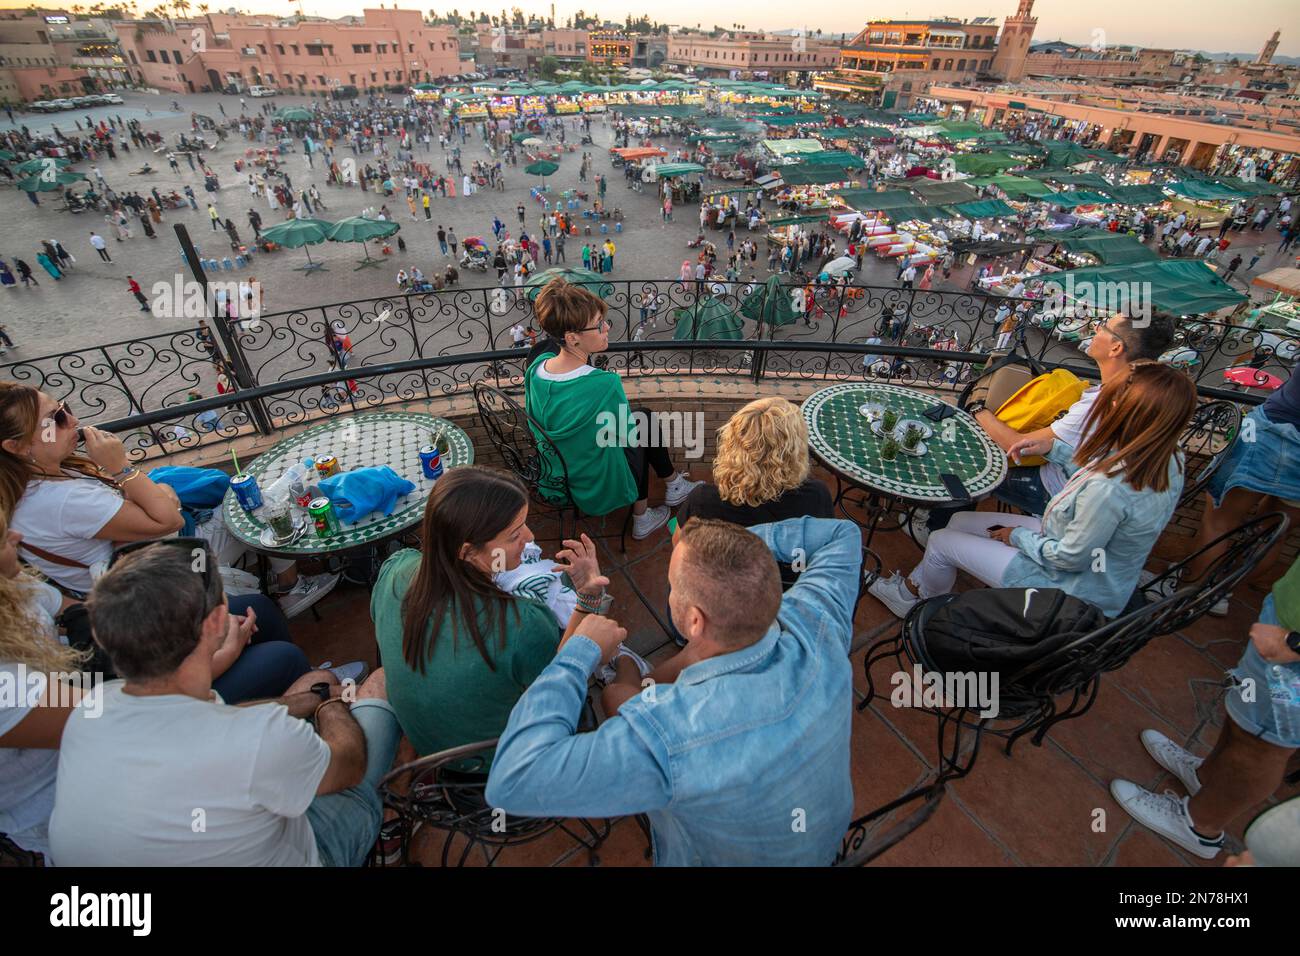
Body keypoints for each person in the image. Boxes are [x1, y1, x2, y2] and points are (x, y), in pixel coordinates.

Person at [486, 516, 863, 866]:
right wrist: (732, 553)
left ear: (695, 619)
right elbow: (843, 534)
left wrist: (577, 653)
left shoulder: (676, 735)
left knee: (618, 696)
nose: (670, 592)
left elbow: (514, 777)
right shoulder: (817, 619)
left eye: (673, 585)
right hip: (825, 845)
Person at [47, 541, 397, 867]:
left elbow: (210, 728)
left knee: (307, 685)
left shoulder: (88, 712)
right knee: (380, 684)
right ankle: (390, 831)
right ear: (217, 620)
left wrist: (306, 698)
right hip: (313, 849)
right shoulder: (257, 739)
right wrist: (326, 704)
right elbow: (348, 764)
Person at [870, 362, 1198, 619]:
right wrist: (1051, 450)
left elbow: (1069, 557)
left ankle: (913, 599)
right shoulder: (1167, 456)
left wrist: (1015, 536)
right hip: (1093, 566)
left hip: (1068, 590)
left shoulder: (1109, 489)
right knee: (956, 524)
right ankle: (930, 584)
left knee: (941, 541)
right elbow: (1097, 471)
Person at [0, 384, 338, 618]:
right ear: (15, 447)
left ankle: (285, 578)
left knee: (228, 496)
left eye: (64, 409)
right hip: (160, 578)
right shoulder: (60, 498)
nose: (72, 420)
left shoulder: (35, 484)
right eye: (55, 420)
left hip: (143, 566)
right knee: (255, 506)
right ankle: (290, 587)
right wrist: (121, 468)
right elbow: (168, 520)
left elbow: (148, 510)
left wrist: (154, 501)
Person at [371, 468, 612, 765]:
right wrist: (588, 598)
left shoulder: (396, 569)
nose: (530, 538)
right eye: (514, 535)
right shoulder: (522, 622)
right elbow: (559, 686)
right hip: (497, 764)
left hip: (429, 747)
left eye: (524, 525)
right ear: (469, 552)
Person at [918, 311, 1177, 541]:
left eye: (1103, 327)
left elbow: (1015, 444)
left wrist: (979, 410)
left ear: (1116, 347)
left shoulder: (1100, 403)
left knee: (969, 463)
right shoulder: (1137, 393)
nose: (1096, 330)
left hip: (1050, 490)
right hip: (1078, 489)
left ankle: (935, 529)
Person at [1110, 554, 1300, 860]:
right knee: (1245, 726)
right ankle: (1205, 777)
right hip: (1286, 620)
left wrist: (1294, 644)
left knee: (1264, 745)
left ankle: (1200, 825)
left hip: (1291, 653)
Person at [524, 280, 700, 539]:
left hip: (555, 469)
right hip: (591, 479)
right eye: (599, 324)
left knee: (642, 420)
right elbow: (627, 438)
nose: (607, 327)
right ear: (572, 338)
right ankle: (643, 517)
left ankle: (674, 483)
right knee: (643, 427)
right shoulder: (603, 384)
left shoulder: (537, 367)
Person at [0, 510, 89, 859]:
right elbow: (111, 716)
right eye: (3, 538)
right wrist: (203, 656)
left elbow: (81, 611)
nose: (18, 537)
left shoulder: (13, 583)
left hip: (92, 701)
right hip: (67, 812)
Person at [1177, 372, 1300, 614]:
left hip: (1272, 430)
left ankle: (1186, 594)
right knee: (1273, 531)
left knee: (1220, 520)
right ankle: (1218, 593)